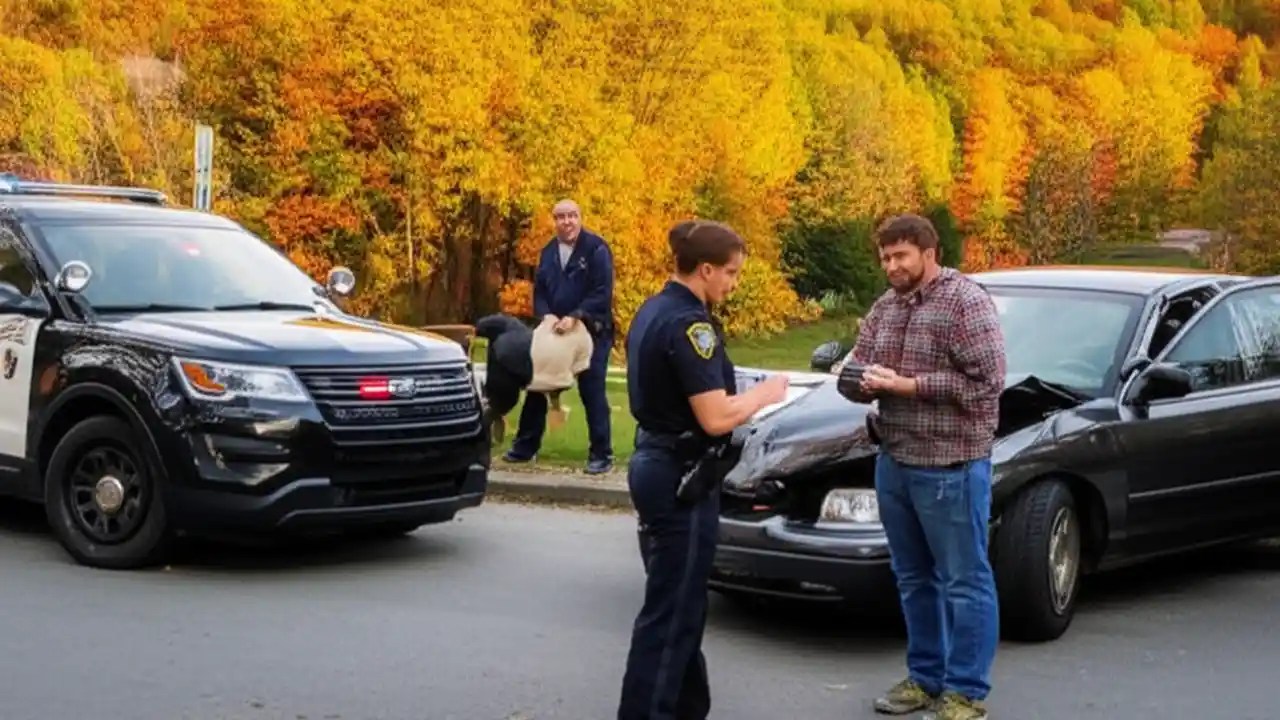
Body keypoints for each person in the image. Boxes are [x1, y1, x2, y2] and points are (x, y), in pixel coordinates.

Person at [617, 220, 788, 720]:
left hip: (655, 460)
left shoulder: (652, 309)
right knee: (671, 616)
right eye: (731, 273)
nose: (733, 283)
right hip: (681, 473)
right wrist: (764, 394)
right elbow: (714, 416)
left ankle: (690, 709)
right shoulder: (692, 325)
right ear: (706, 269)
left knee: (681, 605)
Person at [850, 214, 1006, 720]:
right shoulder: (886, 307)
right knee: (913, 577)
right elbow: (857, 367)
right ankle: (924, 678)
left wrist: (908, 386)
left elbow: (988, 383)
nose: (892, 267)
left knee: (965, 579)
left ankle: (965, 692)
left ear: (928, 252)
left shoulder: (965, 302)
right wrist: (859, 381)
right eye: (885, 259)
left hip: (951, 465)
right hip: (894, 461)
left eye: (901, 257)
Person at [504, 198, 617, 474]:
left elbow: (603, 292)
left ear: (580, 218)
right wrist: (546, 314)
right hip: (556, 331)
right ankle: (525, 447)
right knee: (539, 385)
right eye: (561, 217)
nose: (567, 222)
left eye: (572, 216)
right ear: (554, 221)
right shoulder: (548, 252)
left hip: (592, 331)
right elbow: (540, 291)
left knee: (592, 391)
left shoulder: (596, 249)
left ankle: (601, 454)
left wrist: (576, 315)